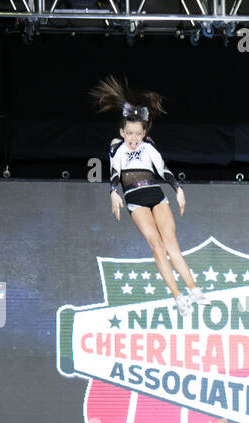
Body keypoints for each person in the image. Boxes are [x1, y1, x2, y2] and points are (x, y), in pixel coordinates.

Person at [90, 76, 207, 312]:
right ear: (122, 131)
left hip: (156, 195)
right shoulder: (117, 147)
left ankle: (194, 290)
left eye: (138, 134)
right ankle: (178, 297)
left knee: (172, 244)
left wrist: (178, 189)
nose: (134, 138)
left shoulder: (148, 145)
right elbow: (115, 173)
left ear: (144, 133)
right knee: (156, 245)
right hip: (135, 199)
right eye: (130, 133)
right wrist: (113, 192)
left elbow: (163, 169)